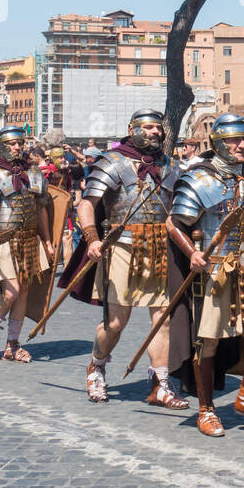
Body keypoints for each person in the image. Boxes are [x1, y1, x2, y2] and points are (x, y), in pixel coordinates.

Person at [171, 114, 244, 437]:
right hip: (215, 268)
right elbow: (173, 223)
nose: (242, 145)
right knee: (209, 341)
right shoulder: (199, 178)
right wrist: (192, 253)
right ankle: (206, 410)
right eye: (235, 141)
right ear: (219, 144)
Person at [66, 109, 187, 409]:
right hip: (121, 247)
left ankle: (160, 383)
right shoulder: (112, 162)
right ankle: (96, 366)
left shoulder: (171, 166)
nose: (155, 133)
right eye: (148, 127)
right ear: (132, 129)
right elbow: (87, 204)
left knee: (163, 320)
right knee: (117, 321)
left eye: (158, 128)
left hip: (160, 247)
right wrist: (92, 239)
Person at [0, 126, 56, 362]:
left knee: (23, 292)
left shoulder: (34, 173)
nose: (17, 147)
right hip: (3, 240)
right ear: (2, 144)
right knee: (12, 290)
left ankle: (12, 345)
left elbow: (41, 209)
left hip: (29, 240)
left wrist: (47, 241)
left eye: (20, 143)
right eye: (12, 143)